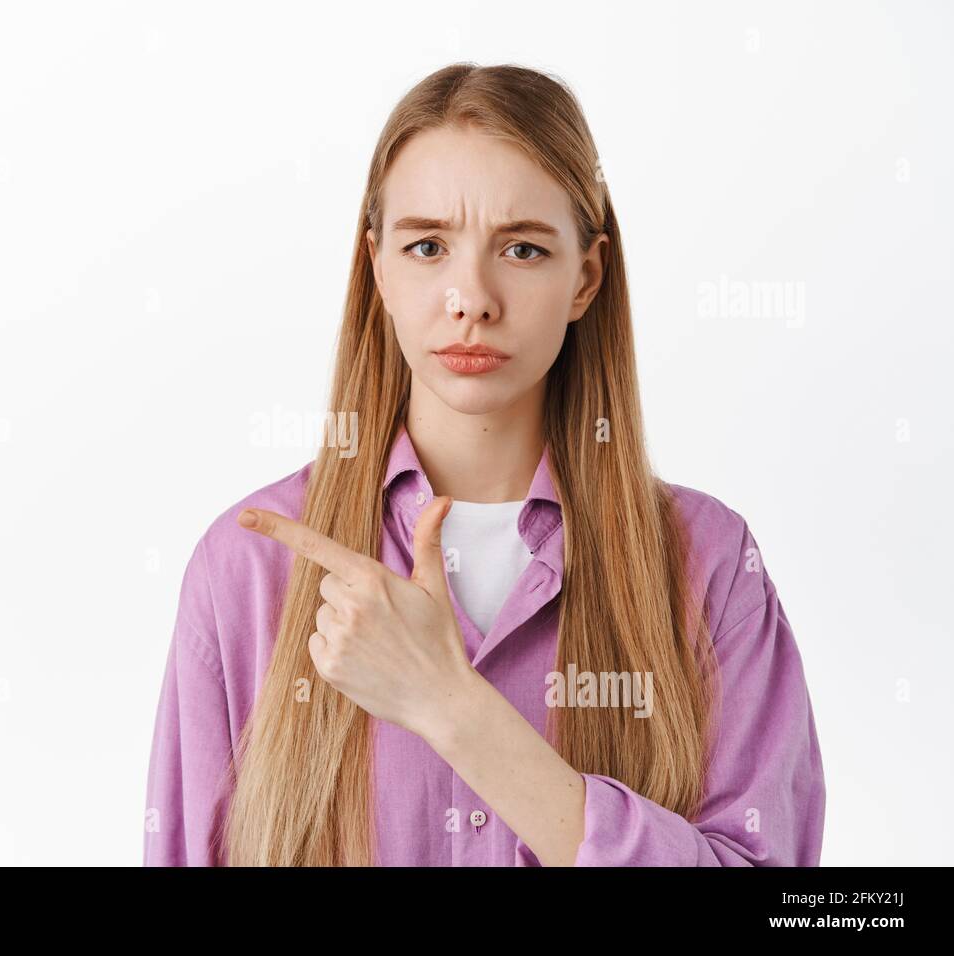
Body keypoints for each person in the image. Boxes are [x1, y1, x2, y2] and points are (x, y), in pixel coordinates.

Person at [142, 62, 826, 867]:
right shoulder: (248, 567)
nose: (471, 297)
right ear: (378, 271)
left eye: (524, 249)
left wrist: (453, 708)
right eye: (427, 245)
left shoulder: (709, 563)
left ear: (587, 278)